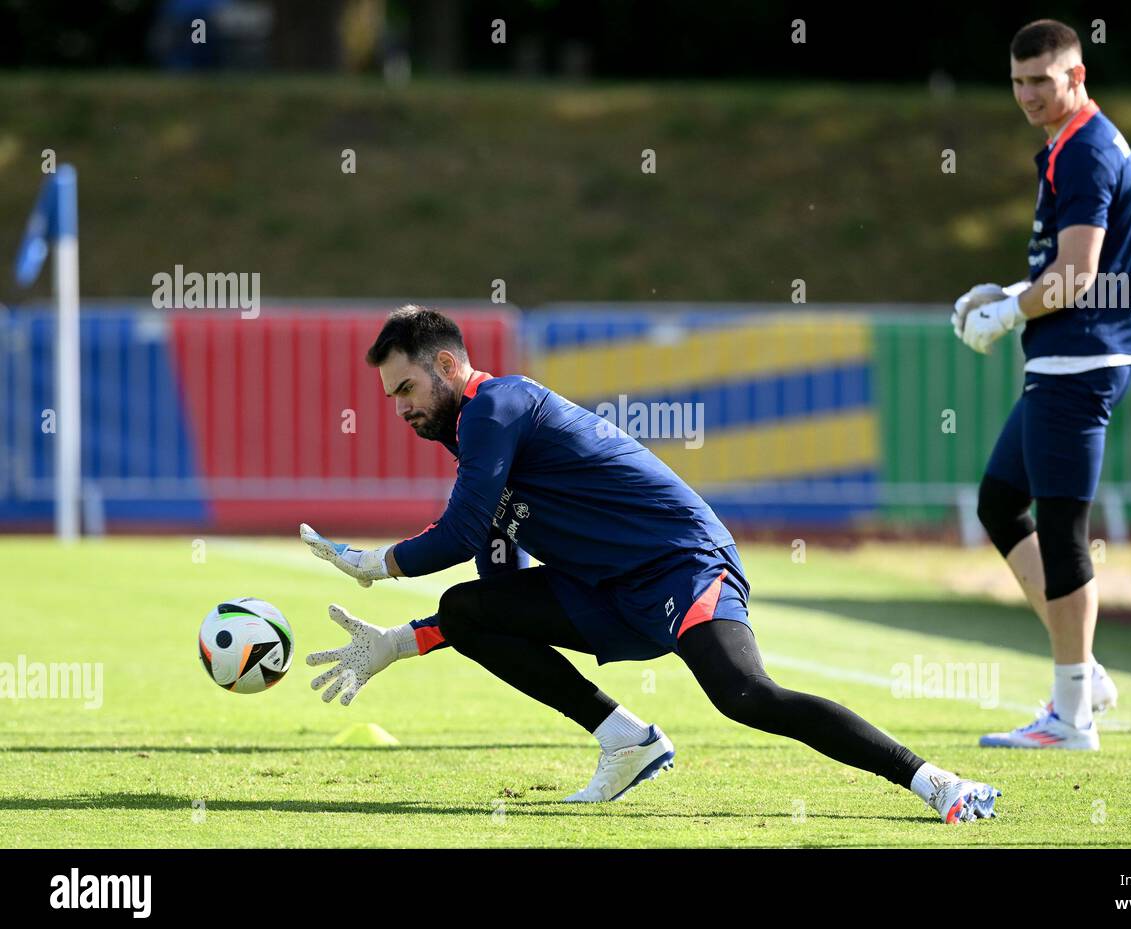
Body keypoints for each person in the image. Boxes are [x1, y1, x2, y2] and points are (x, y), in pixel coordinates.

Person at [301, 304, 1001, 822]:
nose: (398, 408)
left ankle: (935, 782)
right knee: (468, 610)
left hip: (684, 569)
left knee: (744, 695)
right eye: (391, 396)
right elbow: (496, 574)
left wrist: (374, 563)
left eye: (405, 390)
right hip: (608, 593)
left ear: (448, 367)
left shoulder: (497, 405)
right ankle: (626, 740)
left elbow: (458, 530)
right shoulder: (467, 427)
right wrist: (404, 642)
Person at [953, 19, 1131, 750]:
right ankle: (1084, 672)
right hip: (1069, 355)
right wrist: (1005, 292)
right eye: (1019, 81)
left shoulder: (1090, 151)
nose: (1030, 94)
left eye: (1045, 79)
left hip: (1083, 358)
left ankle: (1072, 715)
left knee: (1064, 529)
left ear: (1078, 77)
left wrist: (1008, 312)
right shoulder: (1071, 146)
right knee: (1002, 504)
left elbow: (1077, 277)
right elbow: (1063, 269)